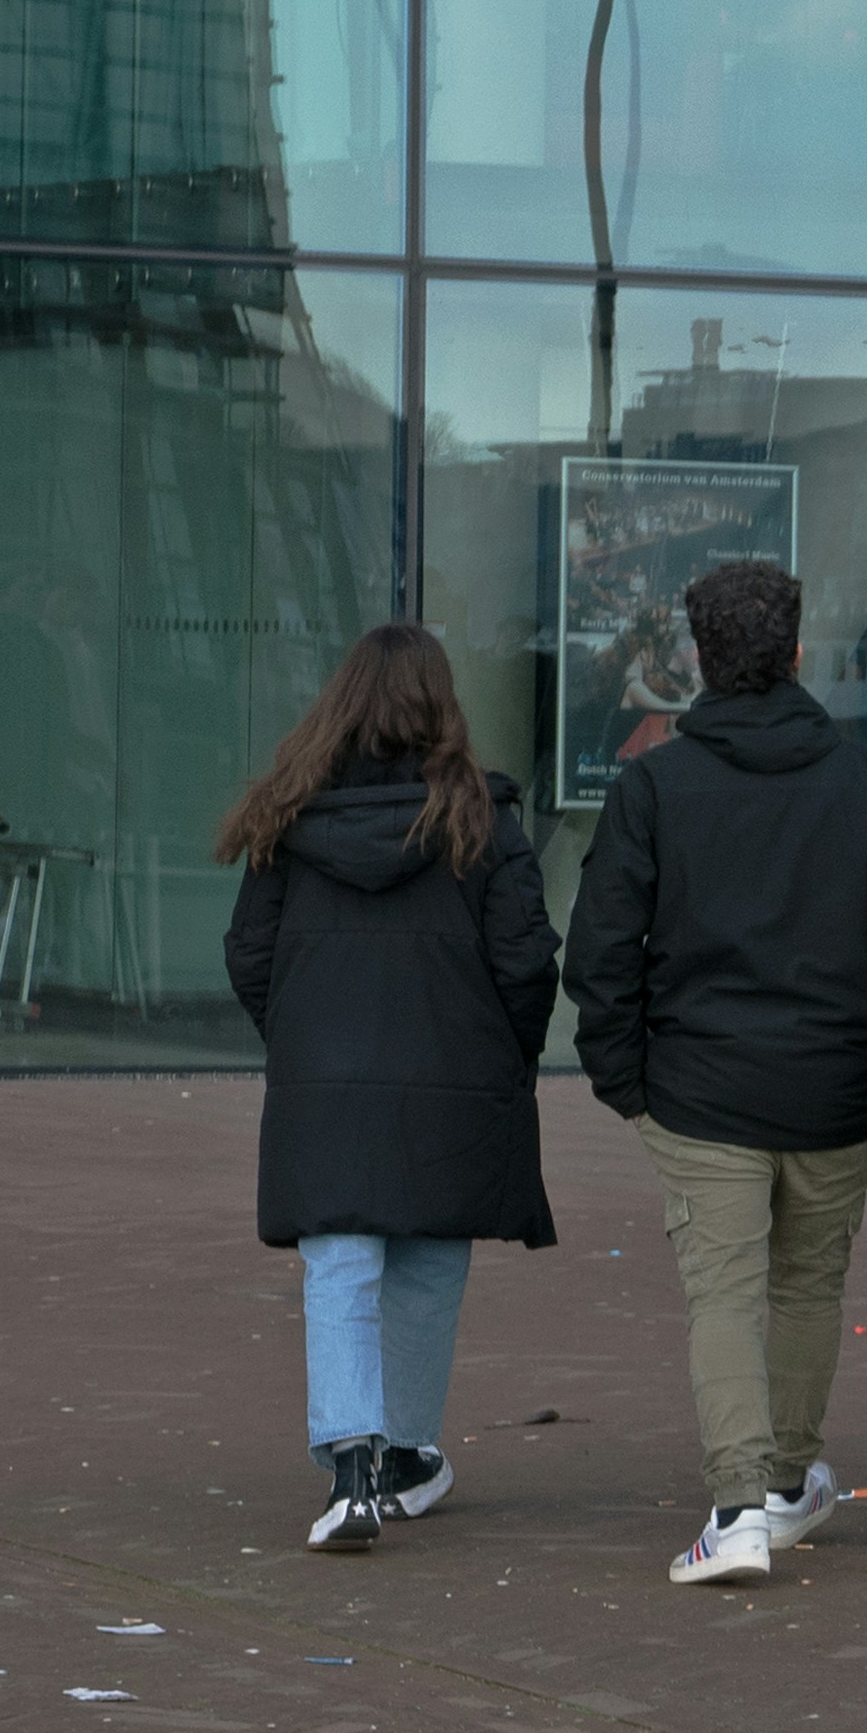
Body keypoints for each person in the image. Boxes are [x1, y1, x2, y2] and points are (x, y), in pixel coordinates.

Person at [564, 560, 867, 1587]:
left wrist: (625, 1081)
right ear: (799, 653)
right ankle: (781, 1482)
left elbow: (600, 952)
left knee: (721, 1294)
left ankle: (741, 1507)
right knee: (810, 1285)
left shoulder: (656, 787)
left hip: (702, 1089)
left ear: (697, 659)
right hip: (839, 1085)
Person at [220, 625, 561, 1557]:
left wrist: (301, 1042)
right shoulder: (482, 822)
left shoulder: (290, 821)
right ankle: (405, 1449)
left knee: (340, 1261)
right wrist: (503, 1059)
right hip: (454, 1081)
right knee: (426, 1261)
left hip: (324, 1084)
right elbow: (528, 961)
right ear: (442, 705)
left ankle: (354, 1464)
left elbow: (249, 956)